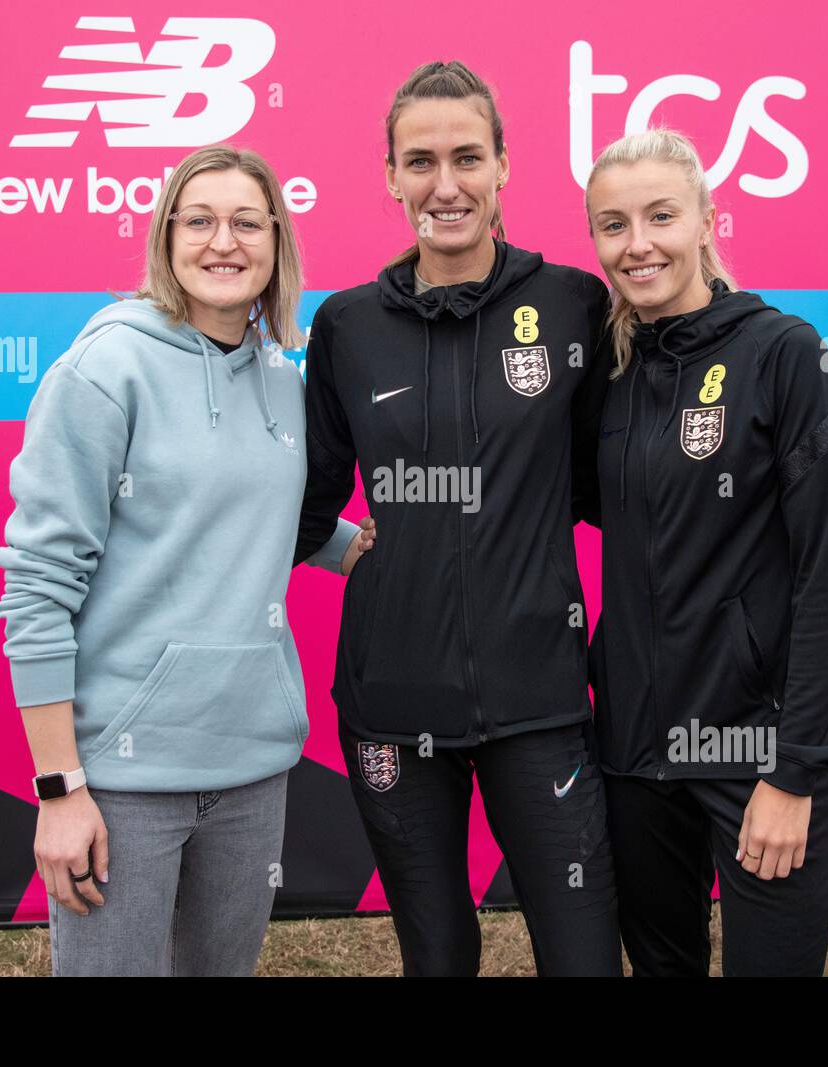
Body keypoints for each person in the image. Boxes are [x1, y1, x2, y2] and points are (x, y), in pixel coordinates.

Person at [0, 144, 374, 977]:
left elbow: (266, 517)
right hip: (124, 778)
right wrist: (60, 788)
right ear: (165, 239)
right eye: (197, 221)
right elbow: (36, 585)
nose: (222, 241)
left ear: (277, 242)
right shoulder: (105, 368)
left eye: (246, 221)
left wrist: (366, 549)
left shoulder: (283, 380)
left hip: (252, 766)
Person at [293, 60, 621, 976]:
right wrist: (359, 550)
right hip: (392, 709)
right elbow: (305, 500)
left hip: (541, 702)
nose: (446, 185)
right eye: (421, 161)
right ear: (390, 176)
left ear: (505, 166)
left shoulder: (572, 303)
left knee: (585, 955)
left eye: (468, 157)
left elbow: (613, 480)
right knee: (437, 955)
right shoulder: (347, 327)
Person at [583, 127, 828, 977]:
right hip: (633, 751)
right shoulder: (606, 369)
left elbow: (824, 574)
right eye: (612, 224)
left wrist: (795, 769)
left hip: (756, 750)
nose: (638, 244)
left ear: (707, 219)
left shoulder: (783, 352)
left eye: (661, 215)